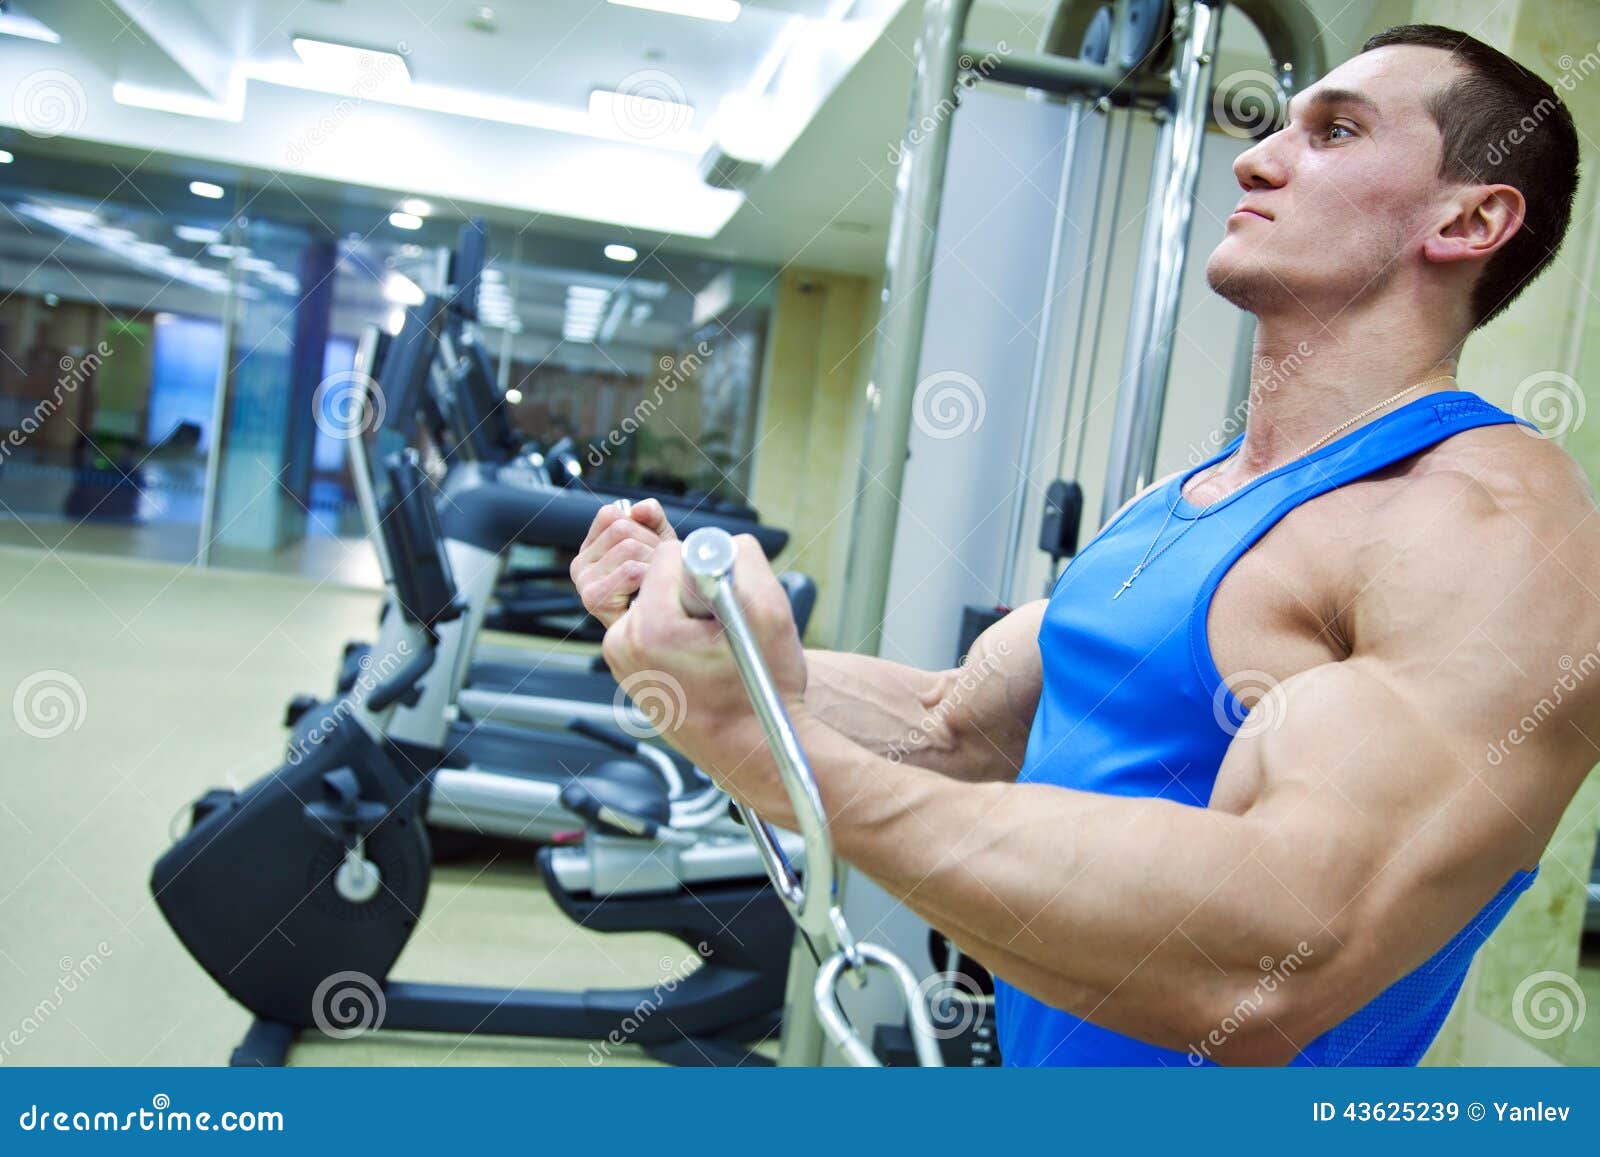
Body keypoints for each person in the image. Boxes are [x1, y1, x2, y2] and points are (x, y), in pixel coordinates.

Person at [571, 25, 1599, 1066]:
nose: (1252, 155)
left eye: (1334, 131)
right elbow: (950, 724)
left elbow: (1274, 959)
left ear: (1470, 219)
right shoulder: (1187, 494)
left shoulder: (1490, 526)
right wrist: (711, 644)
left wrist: (760, 748)